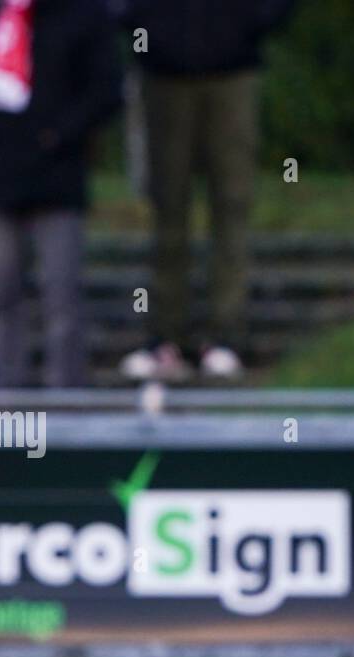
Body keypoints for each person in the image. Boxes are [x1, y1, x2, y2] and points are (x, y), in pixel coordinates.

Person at [0, 0, 123, 387]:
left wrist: (57, 134)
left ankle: (66, 405)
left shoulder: (83, 16)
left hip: (56, 182)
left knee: (62, 299)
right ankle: (8, 398)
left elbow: (106, 90)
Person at [117, 0, 295, 383]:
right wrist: (144, 26)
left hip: (233, 68)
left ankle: (226, 337)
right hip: (163, 69)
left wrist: (248, 24)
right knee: (168, 207)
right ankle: (166, 336)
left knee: (232, 204)